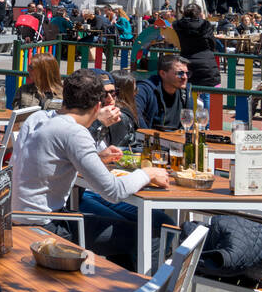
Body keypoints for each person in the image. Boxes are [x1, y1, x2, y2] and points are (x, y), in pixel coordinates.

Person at [13, 70, 169, 259]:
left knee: (124, 235)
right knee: (154, 236)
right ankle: (145, 288)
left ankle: (116, 284)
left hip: (18, 217)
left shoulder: (38, 118)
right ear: (97, 107)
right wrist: (148, 173)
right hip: (46, 225)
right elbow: (114, 192)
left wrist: (97, 156)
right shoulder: (74, 132)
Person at [136, 54, 191, 131]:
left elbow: (188, 122)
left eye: (187, 74)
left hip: (176, 140)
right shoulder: (145, 89)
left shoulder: (185, 92)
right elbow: (134, 113)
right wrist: (148, 136)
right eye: (180, 73)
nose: (185, 77)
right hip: (152, 139)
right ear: (163, 74)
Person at [174, 3, 221, 89]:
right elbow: (212, 43)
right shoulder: (205, 25)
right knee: (208, 95)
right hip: (206, 63)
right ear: (199, 13)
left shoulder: (177, 25)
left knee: (186, 93)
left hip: (186, 63)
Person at [89, 70, 140, 148]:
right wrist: (98, 122)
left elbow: (132, 147)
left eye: (113, 93)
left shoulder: (121, 119)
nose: (110, 99)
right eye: (103, 94)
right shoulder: (77, 123)